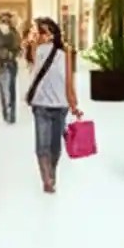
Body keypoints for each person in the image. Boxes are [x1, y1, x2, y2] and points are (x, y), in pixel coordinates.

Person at [25, 18, 81, 193]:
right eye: (37, 32)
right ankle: (46, 180)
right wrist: (31, 42)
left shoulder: (65, 54)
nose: (38, 35)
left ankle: (52, 171)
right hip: (40, 104)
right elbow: (31, 64)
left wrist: (73, 104)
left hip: (60, 105)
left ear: (52, 34)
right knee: (42, 145)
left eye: (42, 32)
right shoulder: (35, 50)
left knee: (55, 147)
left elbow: (69, 82)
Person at [0, 12, 20, 125]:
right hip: (0, 65)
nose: (5, 23)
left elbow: (17, 47)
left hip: (9, 65)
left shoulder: (13, 33)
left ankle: (10, 115)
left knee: (10, 91)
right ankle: (6, 114)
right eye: (3, 21)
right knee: (3, 90)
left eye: (7, 21)